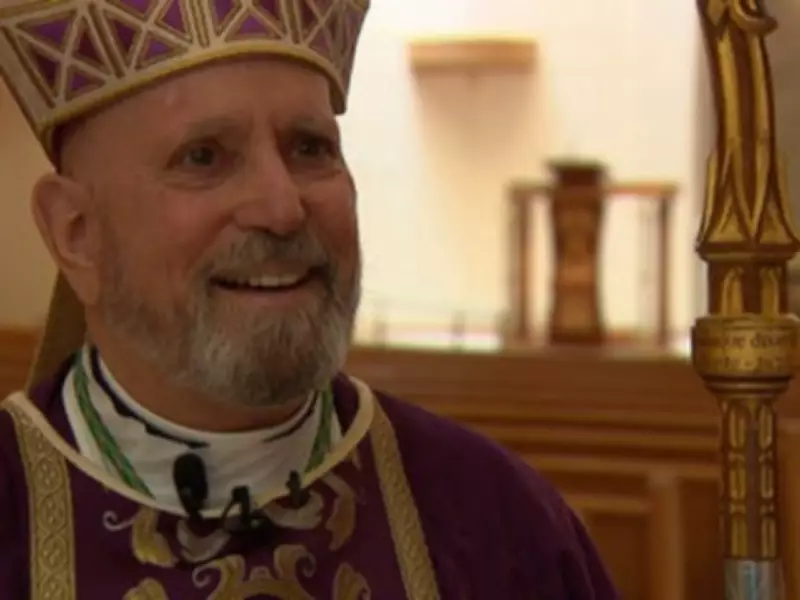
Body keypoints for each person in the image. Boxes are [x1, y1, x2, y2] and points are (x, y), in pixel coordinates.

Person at [0, 0, 620, 597]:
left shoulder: (498, 526)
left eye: (310, 148)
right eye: (204, 157)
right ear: (75, 233)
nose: (282, 208)